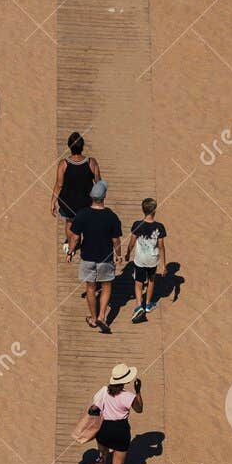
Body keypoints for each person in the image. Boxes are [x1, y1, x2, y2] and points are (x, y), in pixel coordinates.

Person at [68, 180, 122, 332]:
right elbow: (116, 239)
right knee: (106, 285)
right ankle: (102, 316)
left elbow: (75, 237)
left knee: (90, 287)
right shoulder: (111, 216)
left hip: (87, 257)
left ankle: (93, 318)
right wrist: (118, 255)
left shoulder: (82, 214)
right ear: (104, 196)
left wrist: (70, 251)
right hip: (105, 257)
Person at [93, 363, 142, 464]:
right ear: (126, 381)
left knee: (102, 456)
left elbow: (95, 406)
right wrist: (138, 391)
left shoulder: (103, 391)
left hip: (104, 428)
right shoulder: (128, 396)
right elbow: (139, 409)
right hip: (121, 430)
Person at [51, 132, 100, 259]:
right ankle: (83, 244)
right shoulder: (91, 162)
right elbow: (98, 183)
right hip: (86, 202)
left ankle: (70, 245)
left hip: (68, 202)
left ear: (69, 146)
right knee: (86, 224)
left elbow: (59, 184)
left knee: (69, 223)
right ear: (82, 146)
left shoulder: (64, 164)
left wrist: (52, 201)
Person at [125, 198, 167, 323]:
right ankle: (148, 304)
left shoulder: (137, 224)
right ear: (155, 210)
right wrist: (164, 264)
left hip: (140, 259)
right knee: (151, 280)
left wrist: (127, 253)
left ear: (142, 210)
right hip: (153, 259)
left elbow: (132, 242)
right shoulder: (159, 227)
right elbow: (161, 246)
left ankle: (139, 305)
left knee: (138, 282)